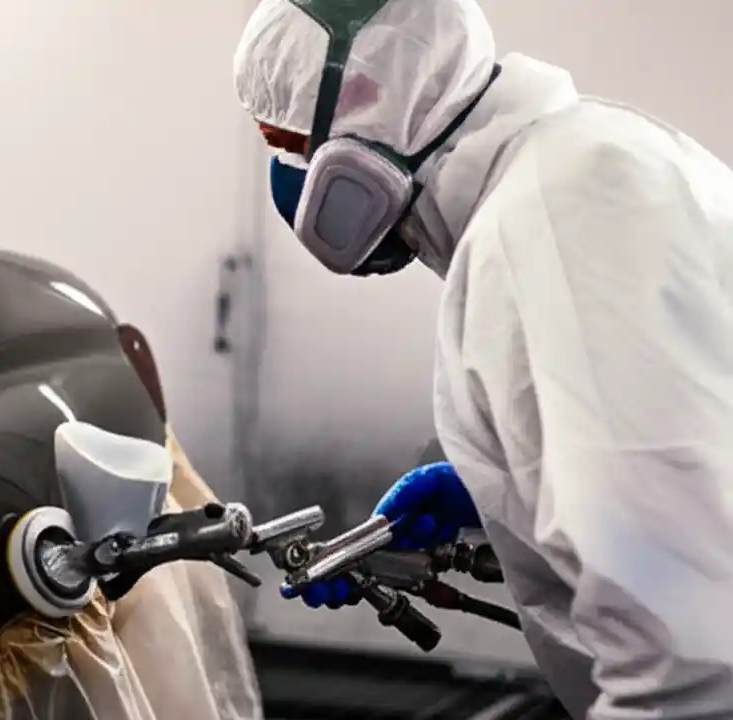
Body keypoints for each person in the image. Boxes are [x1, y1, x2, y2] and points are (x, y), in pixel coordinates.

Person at [233, 0, 733, 716]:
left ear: (369, 105)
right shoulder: (571, 167)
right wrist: (498, 491)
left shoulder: (558, 220)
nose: (288, 180)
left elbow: (694, 658)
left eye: (285, 143)